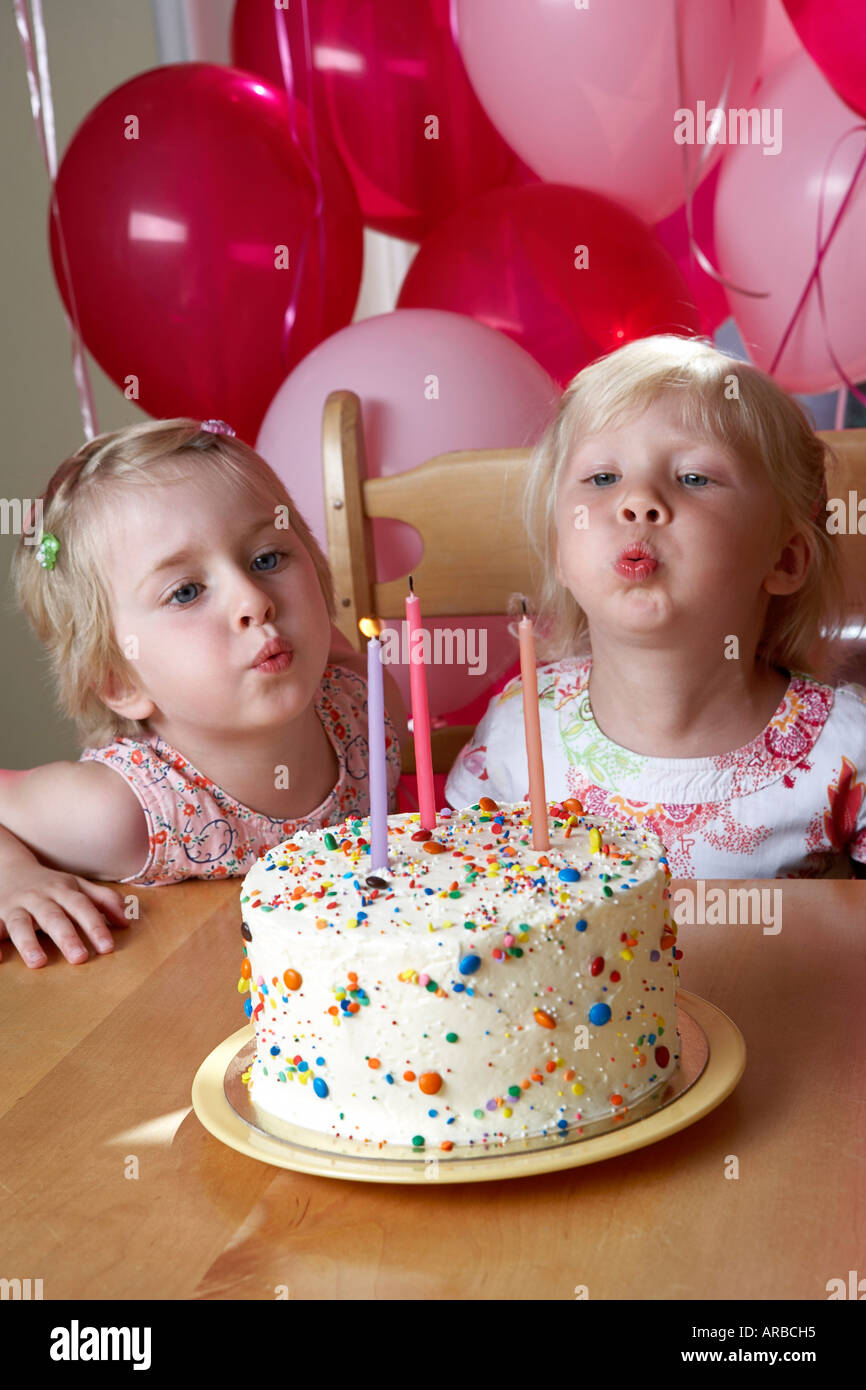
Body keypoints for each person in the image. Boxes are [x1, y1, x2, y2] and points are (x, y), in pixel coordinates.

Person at [446, 335, 866, 878]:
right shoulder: (520, 725)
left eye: (693, 478)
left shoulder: (847, 750)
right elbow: (458, 896)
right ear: (561, 555)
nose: (637, 501)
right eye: (602, 478)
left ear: (784, 558)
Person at [0, 418, 406, 967]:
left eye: (267, 559)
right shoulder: (120, 811)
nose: (254, 601)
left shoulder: (368, 706)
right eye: (185, 592)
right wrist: (13, 877)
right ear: (120, 680)